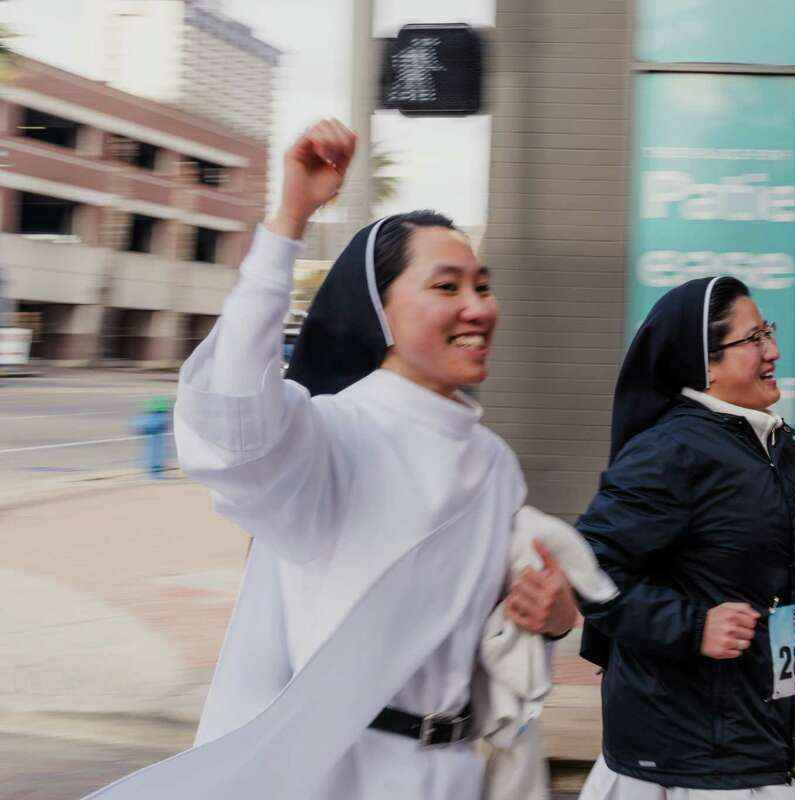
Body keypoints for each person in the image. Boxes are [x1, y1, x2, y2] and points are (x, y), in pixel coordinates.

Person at [82, 120, 576, 799]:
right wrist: (288, 220)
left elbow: (481, 645)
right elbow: (234, 416)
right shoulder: (332, 437)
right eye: (446, 287)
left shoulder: (493, 463)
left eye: (482, 285)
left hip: (460, 773)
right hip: (339, 776)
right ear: (381, 312)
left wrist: (547, 618)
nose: (477, 307)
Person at [575, 277, 795, 798]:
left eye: (770, 333)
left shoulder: (781, 453)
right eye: (755, 338)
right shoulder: (671, 452)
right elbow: (588, 570)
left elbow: (778, 598)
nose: (775, 350)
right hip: (677, 762)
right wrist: (694, 628)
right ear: (706, 364)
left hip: (754, 746)